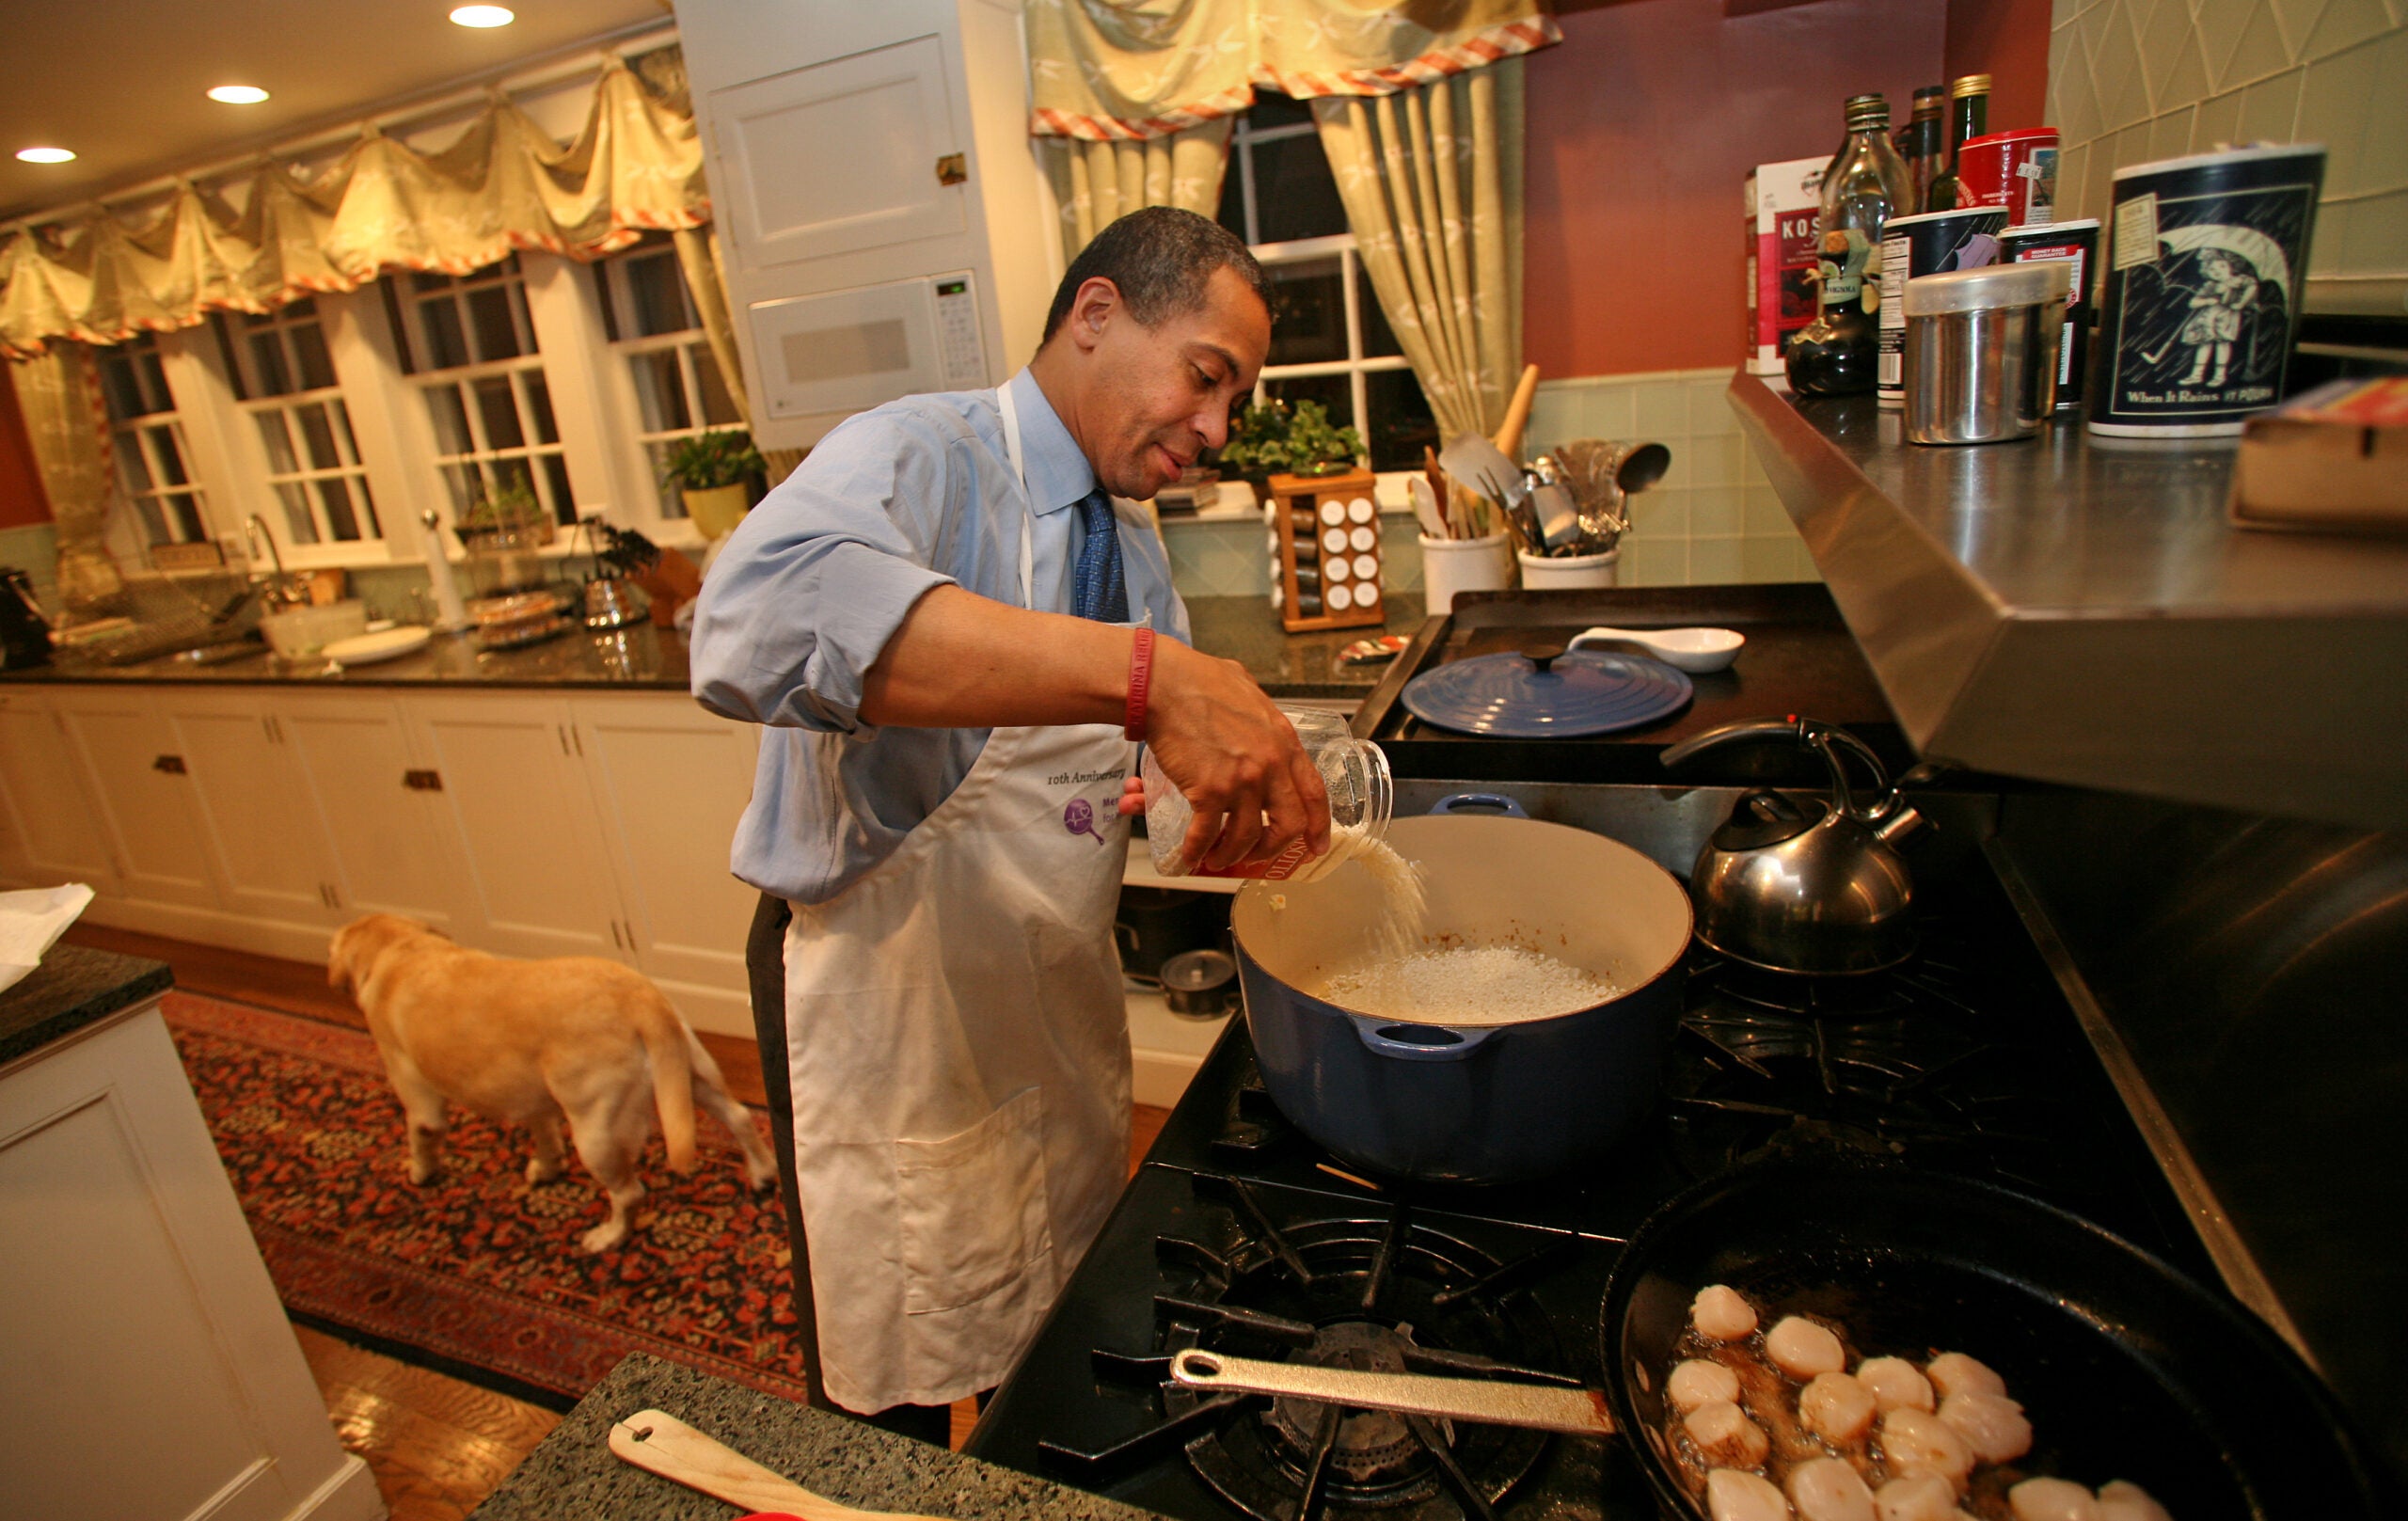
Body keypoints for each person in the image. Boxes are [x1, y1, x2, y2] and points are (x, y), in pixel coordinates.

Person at [689, 207, 1329, 1441]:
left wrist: (1214, 812)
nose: (1215, 429)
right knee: (902, 1396)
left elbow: (1135, 790)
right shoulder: (925, 455)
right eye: (1206, 378)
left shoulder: (1131, 545)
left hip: (1043, 1009)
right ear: (1095, 315)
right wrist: (1145, 680)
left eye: (1233, 403)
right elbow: (751, 614)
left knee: (1053, 1313)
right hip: (890, 1008)